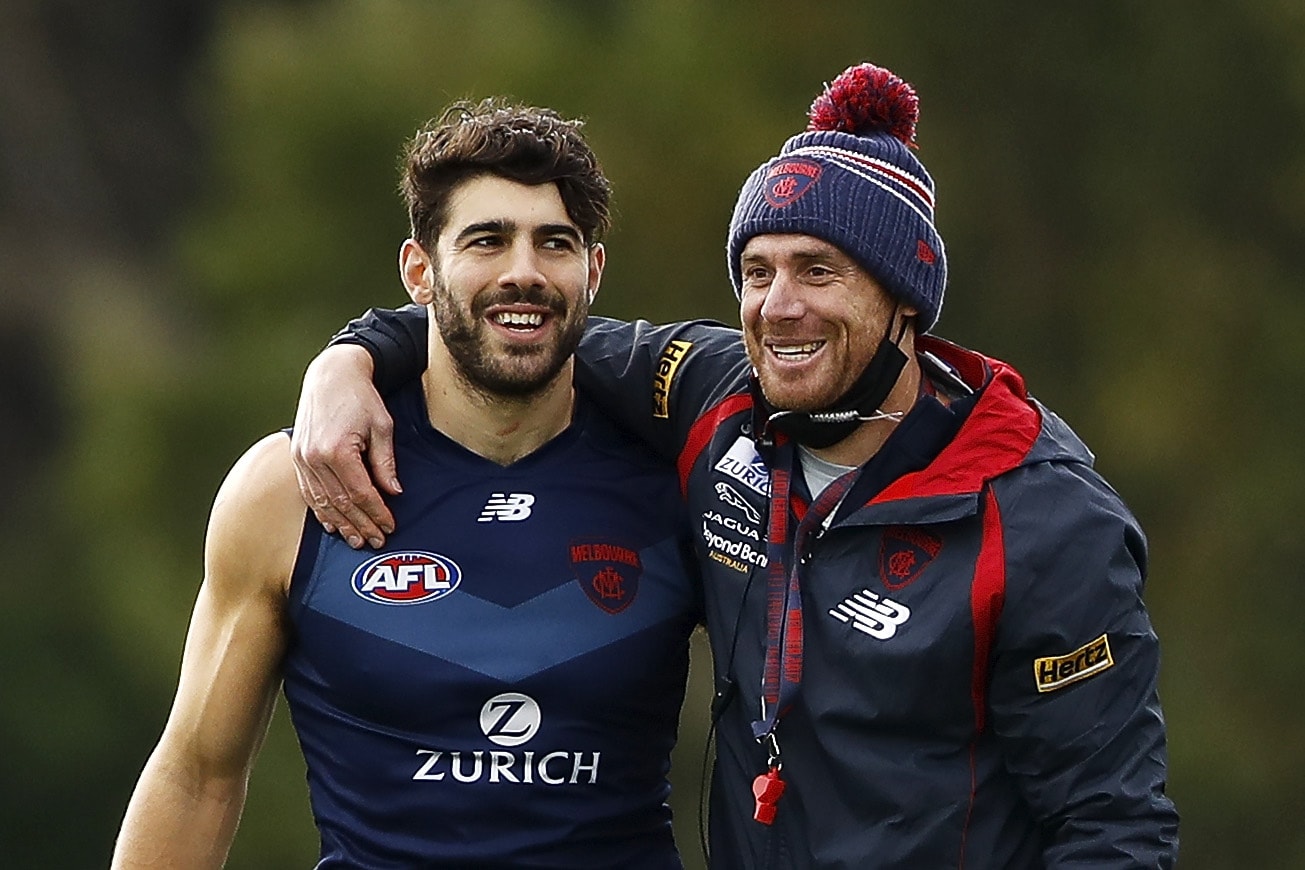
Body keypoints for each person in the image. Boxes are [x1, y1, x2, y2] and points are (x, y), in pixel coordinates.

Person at [294, 64, 1179, 868]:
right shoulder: (713, 393)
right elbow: (518, 323)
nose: (779, 308)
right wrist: (349, 359)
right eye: (757, 272)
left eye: (819, 270)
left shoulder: (1045, 520)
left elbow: (1114, 830)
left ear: (905, 297)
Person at [112, 100, 703, 869]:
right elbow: (198, 777)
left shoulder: (683, 486)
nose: (522, 271)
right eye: (487, 240)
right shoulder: (290, 490)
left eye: (553, 243)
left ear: (590, 271)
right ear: (419, 271)